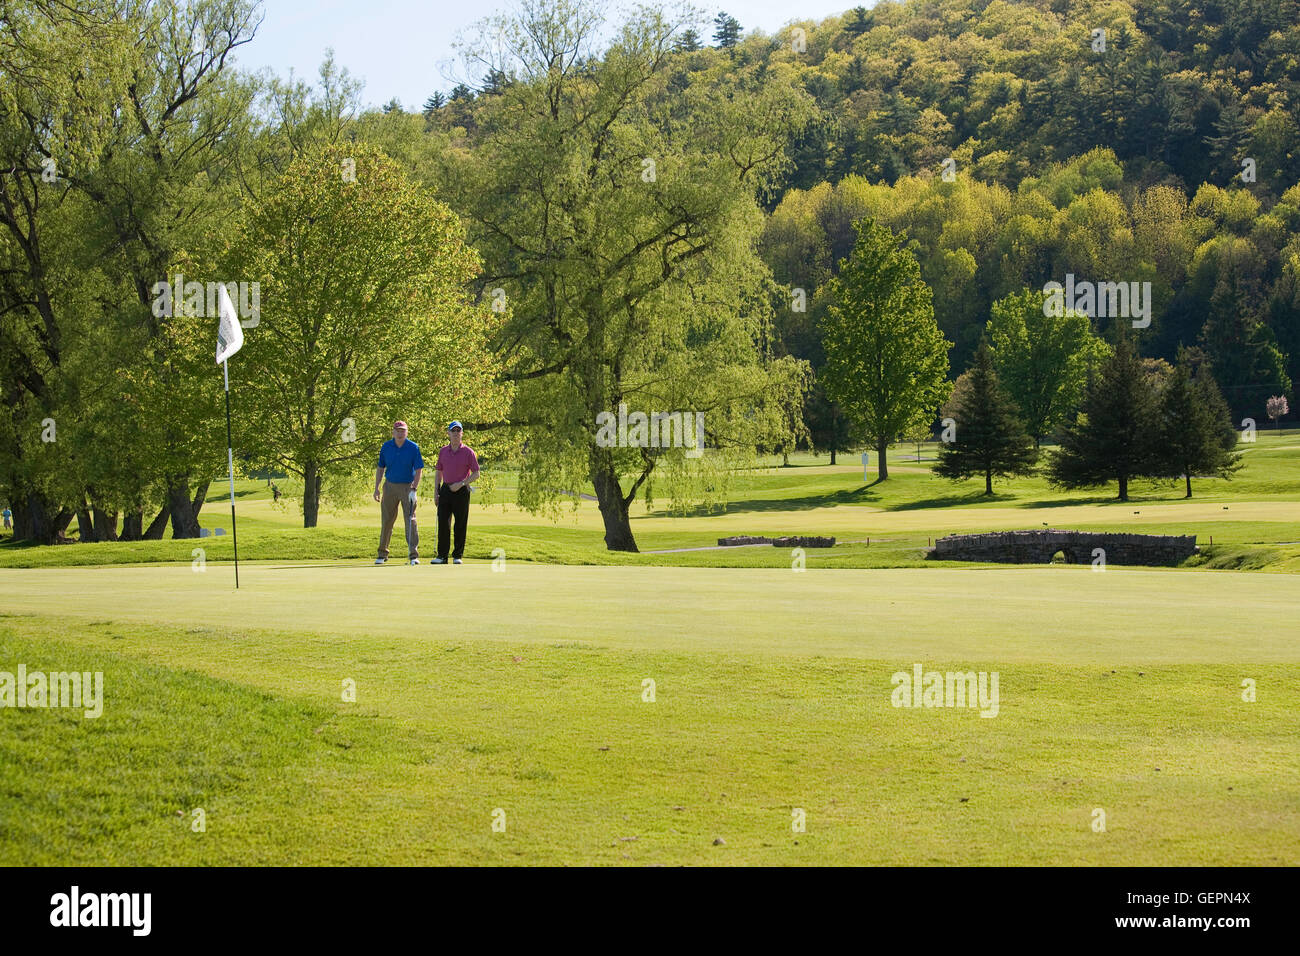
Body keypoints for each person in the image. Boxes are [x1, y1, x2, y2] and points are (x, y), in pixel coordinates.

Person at [374, 420, 424, 565]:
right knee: (387, 521)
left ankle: (413, 555)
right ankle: (382, 554)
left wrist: (414, 488)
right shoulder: (386, 446)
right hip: (389, 487)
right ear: (393, 432)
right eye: (398, 430)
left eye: (403, 430)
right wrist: (377, 488)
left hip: (407, 486)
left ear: (406, 432)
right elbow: (380, 468)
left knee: (410, 520)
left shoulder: (413, 447)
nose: (400, 433)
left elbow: (419, 470)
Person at [432, 421, 479, 565]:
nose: (456, 433)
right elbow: (439, 471)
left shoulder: (468, 452)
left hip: (462, 490)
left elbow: (476, 473)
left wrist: (462, 483)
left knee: (460, 523)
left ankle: (457, 555)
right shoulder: (443, 451)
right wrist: (436, 491)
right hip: (446, 489)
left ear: (462, 433)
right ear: (448, 433)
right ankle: (442, 556)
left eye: (458, 431)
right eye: (453, 431)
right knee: (443, 523)